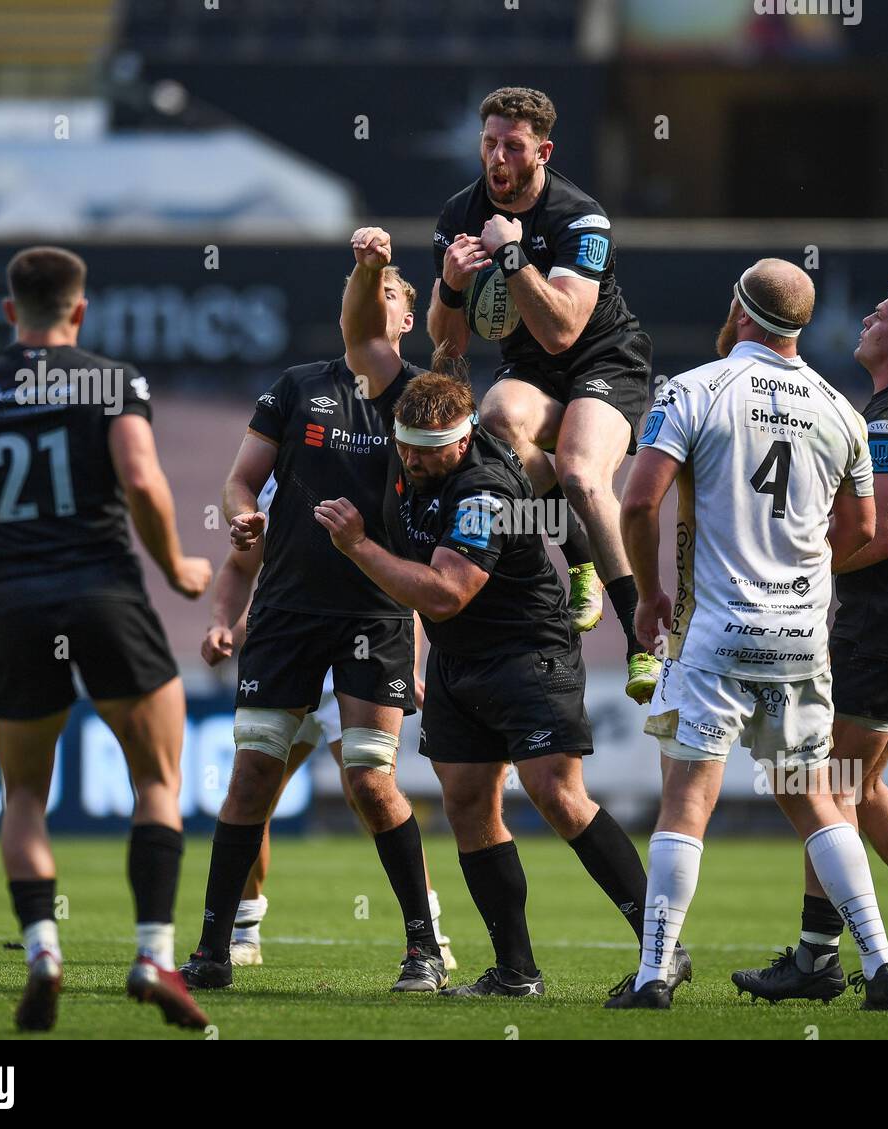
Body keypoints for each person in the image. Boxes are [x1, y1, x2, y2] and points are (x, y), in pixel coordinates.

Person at [314, 367, 692, 998]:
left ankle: (663, 948)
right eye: (404, 443)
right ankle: (515, 972)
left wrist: (356, 547)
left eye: (427, 450)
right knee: (465, 802)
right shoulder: (408, 458)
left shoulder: (485, 489)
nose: (411, 457)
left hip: (526, 650)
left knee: (557, 794)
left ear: (463, 441)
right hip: (457, 662)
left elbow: (445, 593)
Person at [0, 245, 211, 1031]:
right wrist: (178, 564)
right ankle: (152, 952)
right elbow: (142, 479)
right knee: (156, 779)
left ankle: (44, 947)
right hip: (106, 590)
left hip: (16, 601)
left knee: (22, 795)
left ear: (10, 311)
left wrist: (11, 536)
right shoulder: (109, 379)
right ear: (80, 310)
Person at [605, 259, 888, 1011]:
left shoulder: (695, 389)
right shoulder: (842, 410)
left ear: (740, 312)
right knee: (815, 796)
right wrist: (799, 568)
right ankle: (881, 965)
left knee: (686, 802)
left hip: (715, 631)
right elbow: (864, 528)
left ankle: (652, 976)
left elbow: (638, 503)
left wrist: (648, 596)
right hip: (801, 636)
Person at [179, 244, 445, 993]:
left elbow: (433, 532)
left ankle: (423, 947)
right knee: (254, 774)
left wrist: (423, 648)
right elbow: (241, 483)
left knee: (369, 779)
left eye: (392, 293)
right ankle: (213, 949)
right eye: (368, 292)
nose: (376, 303)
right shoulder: (297, 388)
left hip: (377, 610)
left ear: (408, 316)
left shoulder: (424, 401)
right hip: (290, 610)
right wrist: (240, 521)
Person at [731, 284, 888, 1007]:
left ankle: (817, 956)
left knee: (826, 785)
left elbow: (886, 533)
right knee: (862, 787)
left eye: (878, 315)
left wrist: (795, 564)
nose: (864, 319)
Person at [428, 86, 661, 703]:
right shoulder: (458, 215)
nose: (497, 158)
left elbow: (562, 333)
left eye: (513, 146)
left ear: (543, 151)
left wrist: (510, 253)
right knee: (498, 417)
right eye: (489, 144)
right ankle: (578, 552)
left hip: (605, 359)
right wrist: (450, 288)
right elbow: (447, 346)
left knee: (583, 477)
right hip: (529, 368)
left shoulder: (580, 217)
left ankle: (641, 640)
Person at [200, 470, 456, 971]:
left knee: (374, 792)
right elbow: (240, 566)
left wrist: (413, 666)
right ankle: (243, 931)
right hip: (289, 661)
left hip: (357, 665)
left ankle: (429, 933)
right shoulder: (275, 487)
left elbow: (407, 585)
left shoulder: (381, 479)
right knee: (254, 793)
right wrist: (219, 625)